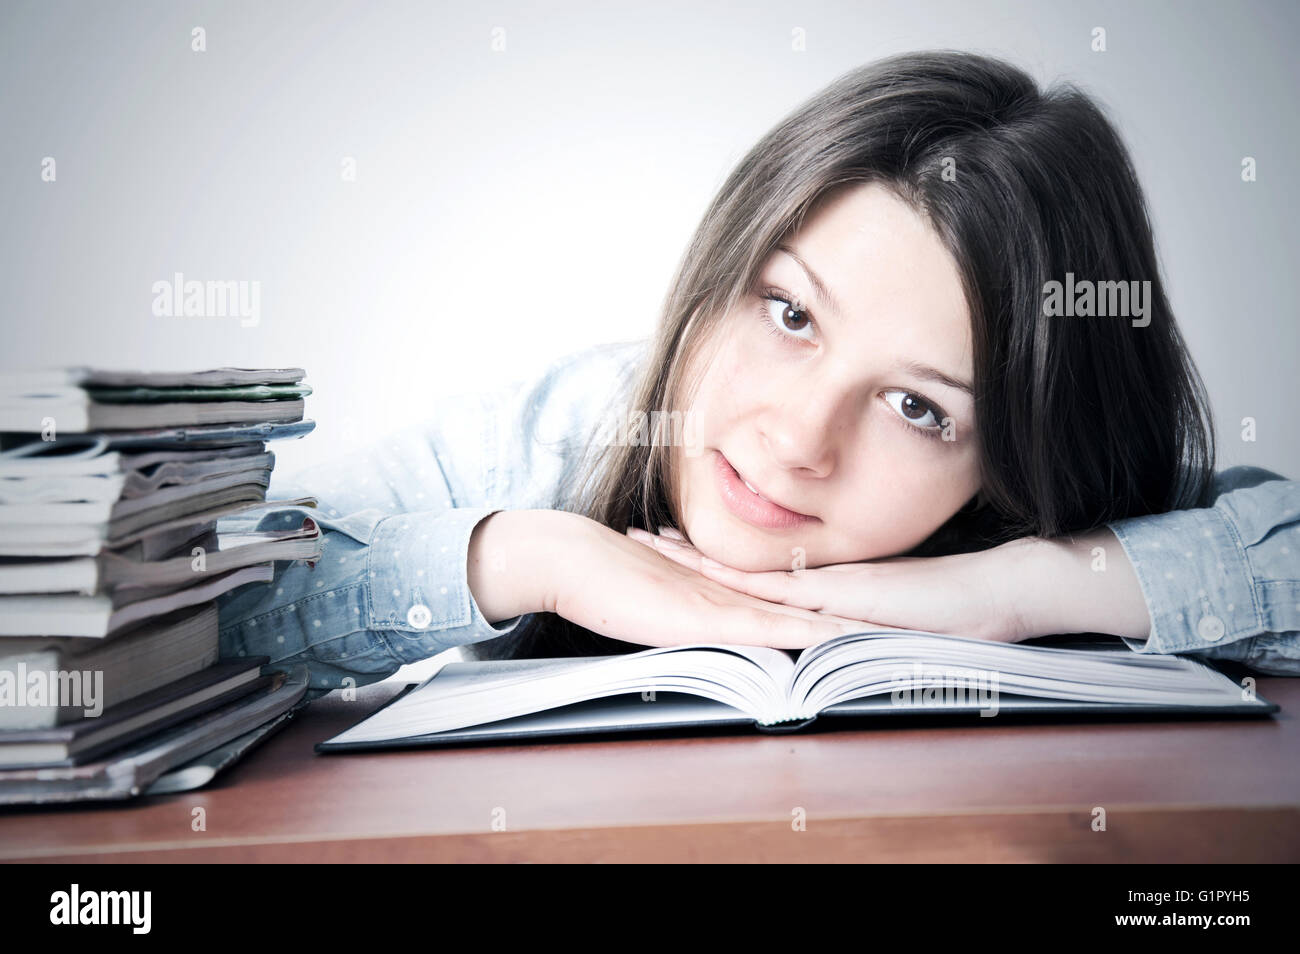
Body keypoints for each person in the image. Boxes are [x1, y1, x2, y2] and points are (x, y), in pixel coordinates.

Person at [216, 50, 1300, 701]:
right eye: (789, 314)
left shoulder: (1036, 522)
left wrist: (1017, 590)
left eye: (918, 407)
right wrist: (532, 555)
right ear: (719, 265)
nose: (796, 439)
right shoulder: (561, 434)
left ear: (1009, 465)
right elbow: (186, 609)